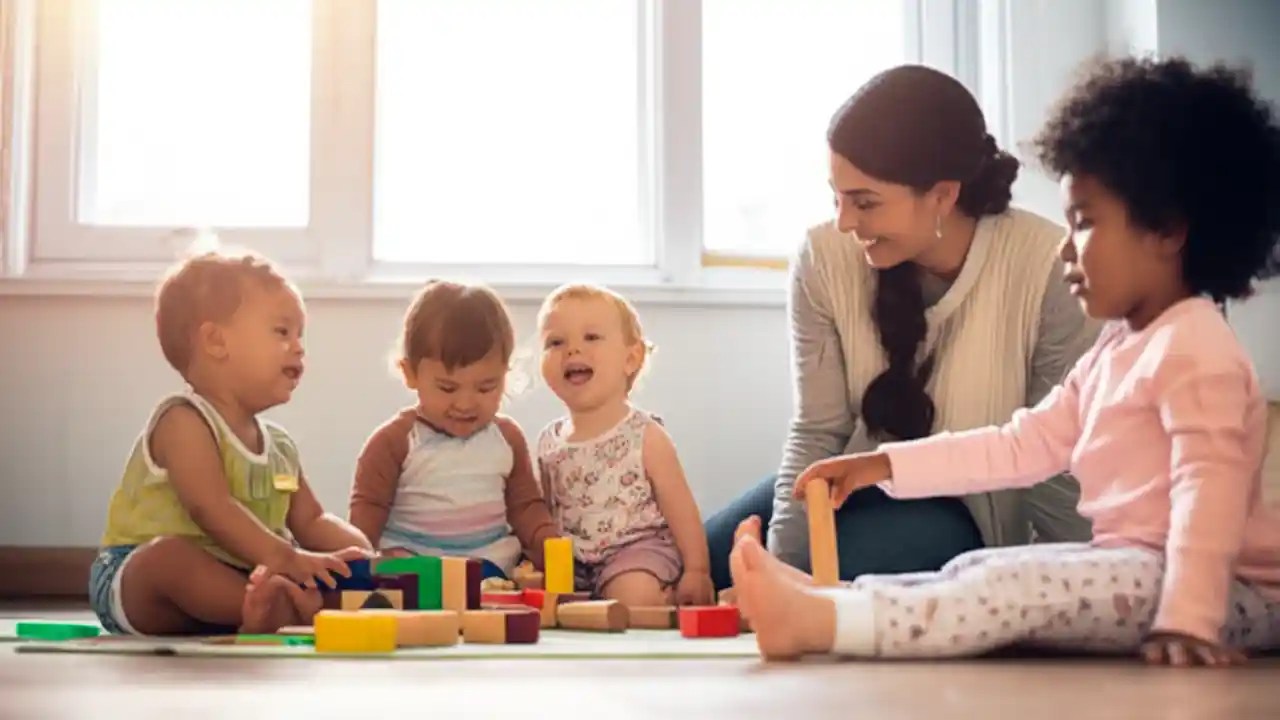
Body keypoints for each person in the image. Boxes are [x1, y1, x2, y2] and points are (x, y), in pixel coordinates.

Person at [729, 56, 1280, 666]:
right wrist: (884, 465)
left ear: (1167, 232)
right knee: (980, 570)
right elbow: (1020, 445)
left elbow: (1211, 493)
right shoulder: (1116, 350)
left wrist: (1190, 622)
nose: (1064, 250)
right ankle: (827, 604)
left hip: (1218, 594)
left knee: (1007, 583)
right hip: (1141, 568)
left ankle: (822, 621)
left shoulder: (1197, 346)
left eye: (1083, 225)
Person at [705, 64, 1098, 589]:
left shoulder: (1050, 266)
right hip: (844, 485)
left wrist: (1075, 591)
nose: (845, 222)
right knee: (685, 569)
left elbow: (1057, 459)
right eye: (837, 197)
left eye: (864, 202)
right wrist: (784, 560)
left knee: (827, 581)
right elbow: (819, 431)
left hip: (958, 520)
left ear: (942, 196)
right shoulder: (824, 256)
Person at [90, 249, 373, 636]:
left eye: (300, 335)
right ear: (216, 341)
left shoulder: (280, 449)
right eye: (282, 332)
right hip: (139, 585)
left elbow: (310, 520)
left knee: (322, 572)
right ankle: (275, 608)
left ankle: (265, 606)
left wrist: (366, 557)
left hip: (243, 576)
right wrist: (285, 557)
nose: (299, 347)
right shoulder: (183, 421)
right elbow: (210, 506)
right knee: (168, 559)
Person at [348, 280, 559, 578]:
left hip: (489, 567)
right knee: (381, 570)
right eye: (448, 388)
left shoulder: (507, 438)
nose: (465, 403)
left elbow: (525, 506)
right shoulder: (396, 441)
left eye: (486, 387)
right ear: (410, 374)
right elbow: (368, 508)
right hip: (416, 566)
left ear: (505, 373)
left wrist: (547, 540)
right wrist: (359, 559)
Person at [535, 283, 715, 607]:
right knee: (545, 601)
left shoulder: (645, 434)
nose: (572, 350)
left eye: (591, 337)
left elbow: (681, 508)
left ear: (631, 359)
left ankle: (667, 598)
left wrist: (697, 570)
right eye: (556, 342)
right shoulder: (549, 441)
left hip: (636, 553)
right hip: (572, 563)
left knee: (633, 597)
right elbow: (546, 514)